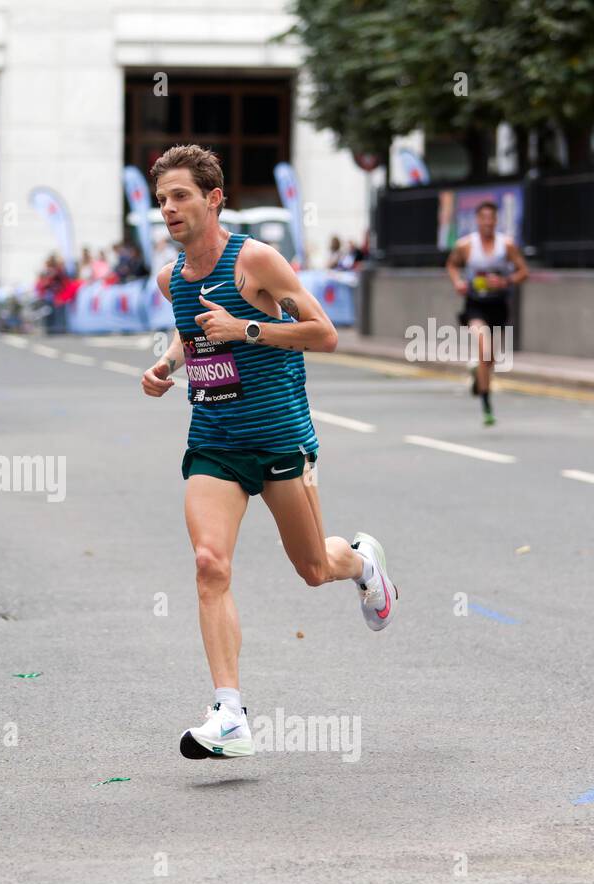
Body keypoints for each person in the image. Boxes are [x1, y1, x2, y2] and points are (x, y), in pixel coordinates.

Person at [139, 144, 398, 761]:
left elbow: (324, 332)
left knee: (313, 570)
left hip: (280, 436)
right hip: (215, 441)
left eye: (180, 196)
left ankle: (361, 564)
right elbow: (190, 325)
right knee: (209, 564)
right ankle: (229, 712)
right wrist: (168, 364)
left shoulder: (254, 260)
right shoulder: (171, 276)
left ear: (213, 199)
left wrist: (247, 328)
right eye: (162, 200)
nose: (169, 209)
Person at [445, 200, 528, 426]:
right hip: (475, 304)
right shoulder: (466, 246)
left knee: (489, 359)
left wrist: (505, 281)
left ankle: (477, 377)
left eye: (491, 218)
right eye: (484, 218)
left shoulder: (506, 245)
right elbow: (452, 265)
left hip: (498, 305)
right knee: (484, 349)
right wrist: (458, 281)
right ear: (478, 220)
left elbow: (523, 271)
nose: (488, 222)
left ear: (496, 220)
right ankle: (486, 406)